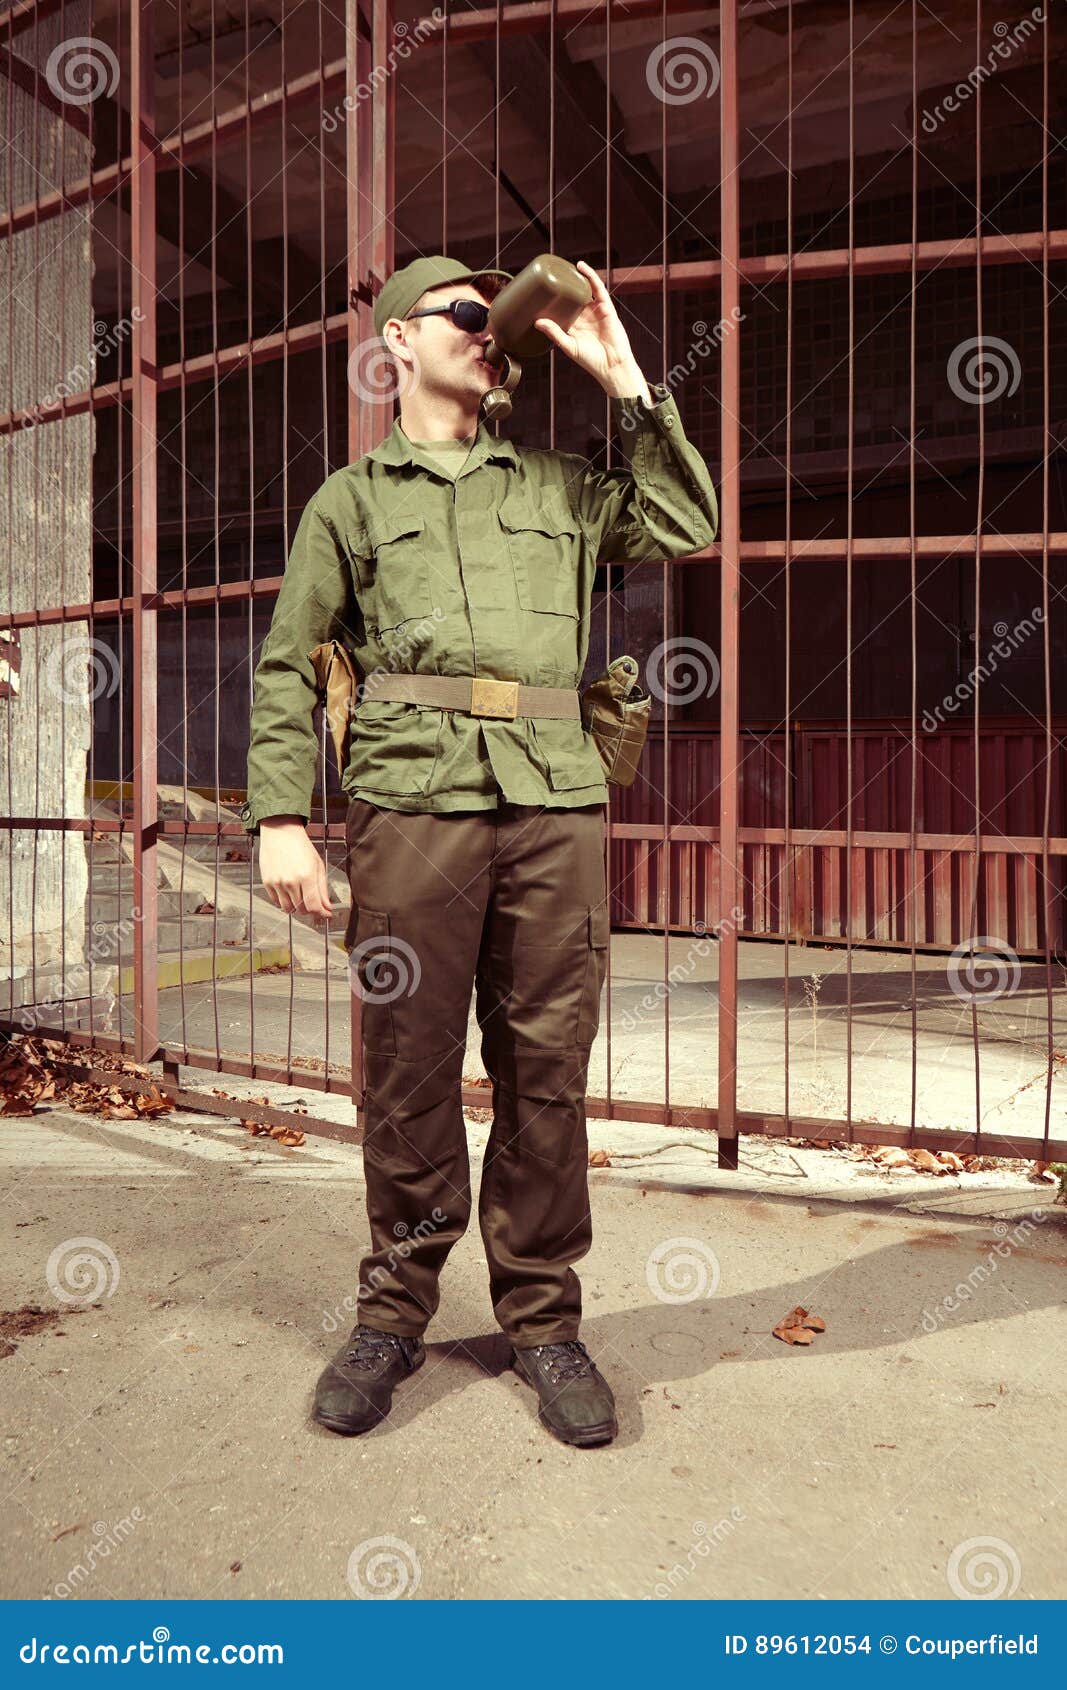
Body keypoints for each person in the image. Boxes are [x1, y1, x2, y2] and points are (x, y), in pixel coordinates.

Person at [240, 254, 718, 1446]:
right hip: (411, 805)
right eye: (465, 311)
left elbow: (684, 520)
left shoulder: (560, 484)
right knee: (407, 1068)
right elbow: (290, 664)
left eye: (494, 317)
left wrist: (622, 377)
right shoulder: (350, 502)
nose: (486, 330)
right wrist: (280, 817)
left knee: (545, 1068)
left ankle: (543, 1321)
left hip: (552, 801)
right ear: (398, 339)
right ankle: (392, 1313)